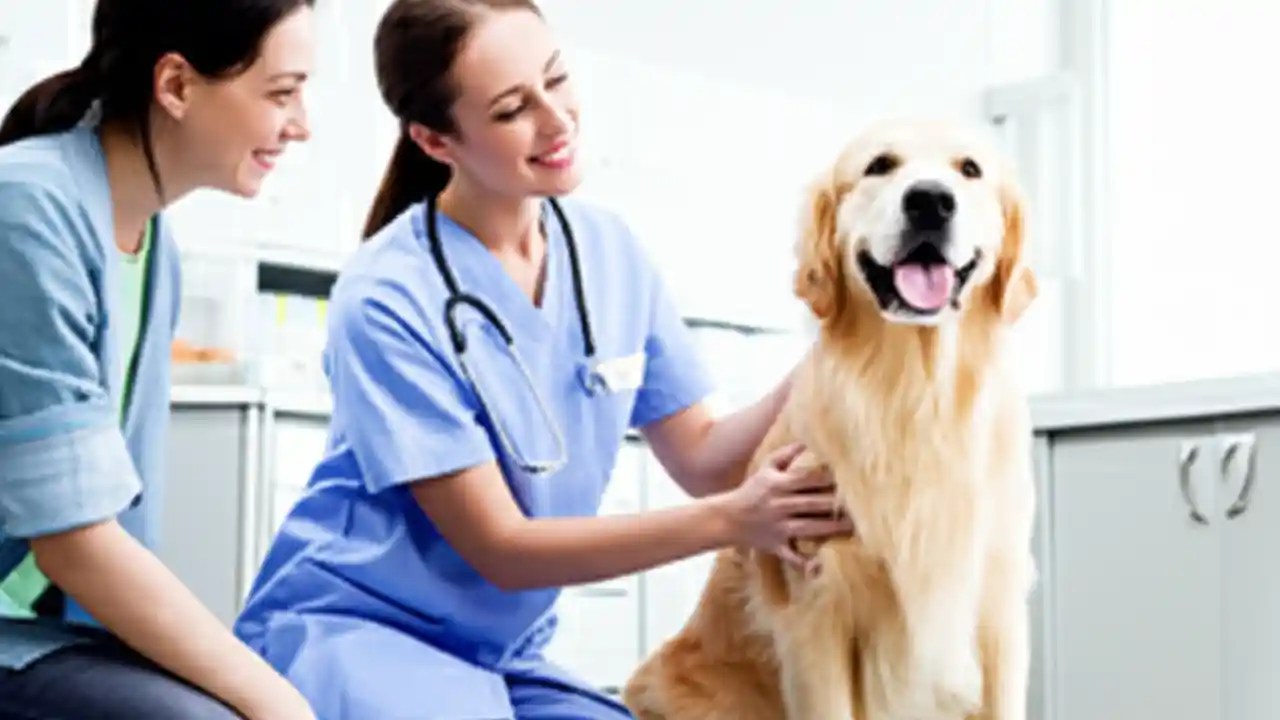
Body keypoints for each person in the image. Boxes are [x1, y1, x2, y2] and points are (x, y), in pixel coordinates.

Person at [232, 1, 854, 718]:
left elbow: (705, 458)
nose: (557, 121)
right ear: (436, 142)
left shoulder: (609, 252)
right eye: (512, 109)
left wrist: (836, 348)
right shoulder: (387, 295)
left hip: (500, 653)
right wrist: (732, 521)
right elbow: (500, 546)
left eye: (557, 80)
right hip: (362, 631)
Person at [0, 2, 320, 718]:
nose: (301, 124)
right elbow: (73, 543)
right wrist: (278, 704)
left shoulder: (151, 246)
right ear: (176, 85)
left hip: (55, 631)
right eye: (281, 92)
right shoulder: (27, 206)